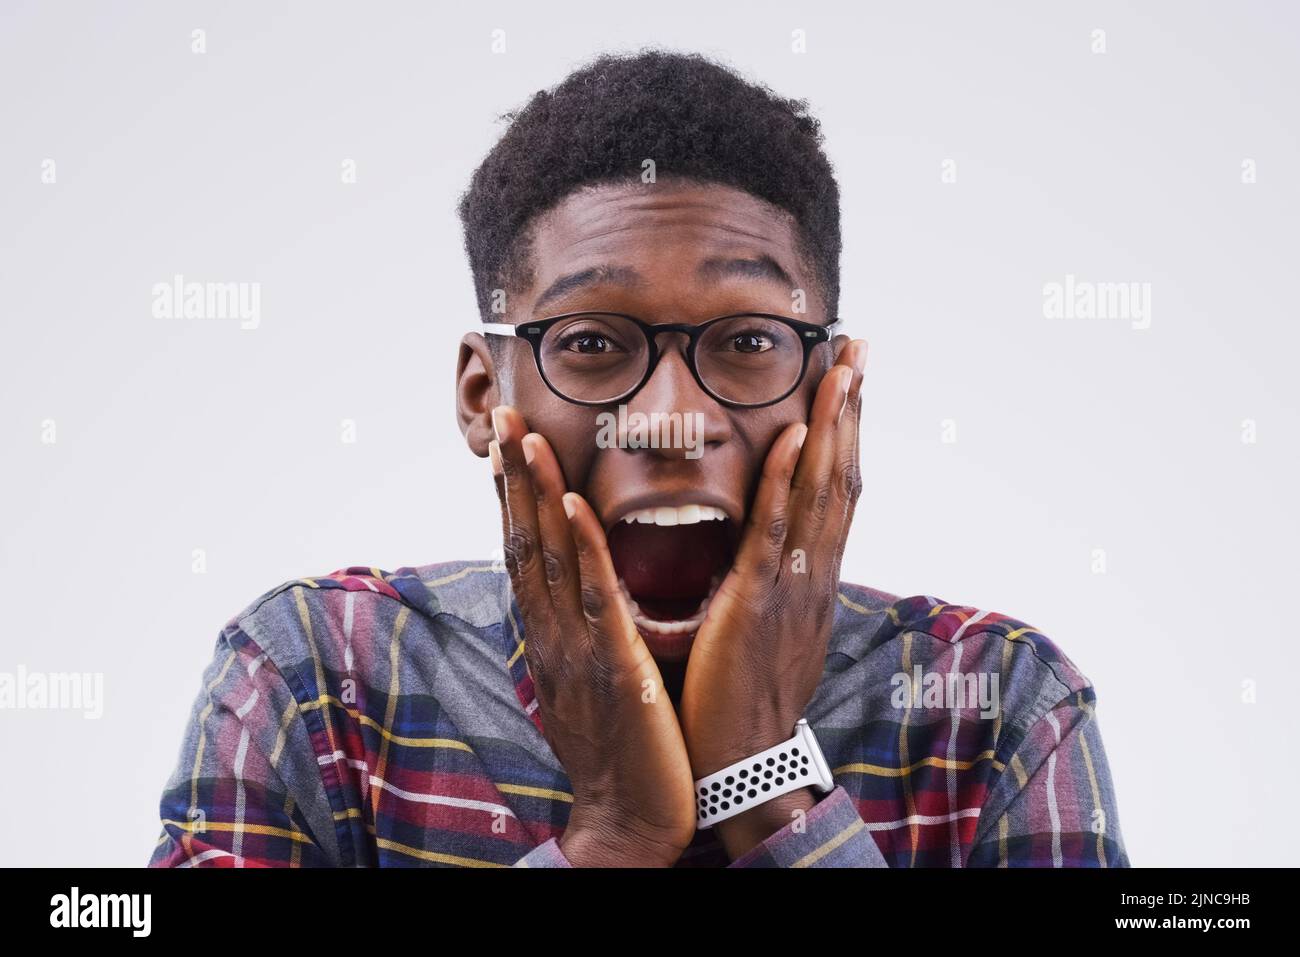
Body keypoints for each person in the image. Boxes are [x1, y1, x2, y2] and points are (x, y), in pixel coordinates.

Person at [149, 48, 1129, 868]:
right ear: (483, 394)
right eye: (590, 343)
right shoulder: (323, 680)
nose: (668, 419)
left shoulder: (993, 711)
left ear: (837, 392)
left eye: (747, 342)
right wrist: (612, 836)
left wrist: (761, 776)